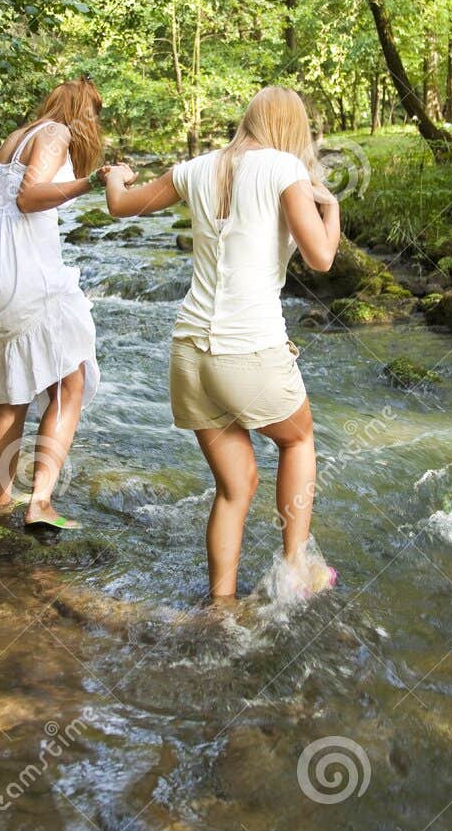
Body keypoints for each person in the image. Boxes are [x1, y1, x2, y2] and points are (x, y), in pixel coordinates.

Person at [103, 86, 341, 599]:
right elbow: (321, 258)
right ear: (290, 128)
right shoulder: (285, 169)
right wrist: (332, 206)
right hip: (248, 350)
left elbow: (122, 205)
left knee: (235, 488)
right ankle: (295, 567)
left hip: (189, 355)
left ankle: (221, 607)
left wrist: (115, 177)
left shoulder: (196, 168)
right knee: (298, 439)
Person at [0, 78, 109, 537]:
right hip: (33, 275)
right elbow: (29, 197)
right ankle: (40, 501)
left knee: (13, 394)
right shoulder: (57, 134)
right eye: (95, 113)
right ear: (82, 110)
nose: (95, 123)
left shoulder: (13, 139)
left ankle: (2, 505)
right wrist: (89, 183)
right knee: (72, 382)